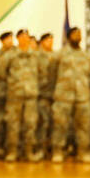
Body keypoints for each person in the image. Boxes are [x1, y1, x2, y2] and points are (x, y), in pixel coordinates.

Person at [50, 27, 90, 163]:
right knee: (60, 125)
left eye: (79, 34)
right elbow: (51, 73)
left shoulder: (87, 55)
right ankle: (58, 151)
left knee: (83, 126)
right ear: (69, 37)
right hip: (64, 96)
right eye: (75, 34)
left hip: (82, 96)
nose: (78, 36)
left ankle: (83, 152)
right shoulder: (60, 54)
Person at [4, 29, 40, 162]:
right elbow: (1, 72)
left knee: (30, 124)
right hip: (15, 95)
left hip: (31, 95)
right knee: (13, 124)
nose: (25, 39)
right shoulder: (11, 55)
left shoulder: (36, 55)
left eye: (27, 37)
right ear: (18, 39)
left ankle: (29, 152)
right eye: (22, 37)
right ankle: (12, 151)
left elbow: (43, 73)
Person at [35, 32, 56, 160]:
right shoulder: (36, 56)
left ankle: (50, 149)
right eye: (48, 40)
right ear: (42, 42)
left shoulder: (56, 56)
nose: (50, 43)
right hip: (41, 94)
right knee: (42, 122)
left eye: (52, 40)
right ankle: (40, 149)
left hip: (54, 95)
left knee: (54, 123)